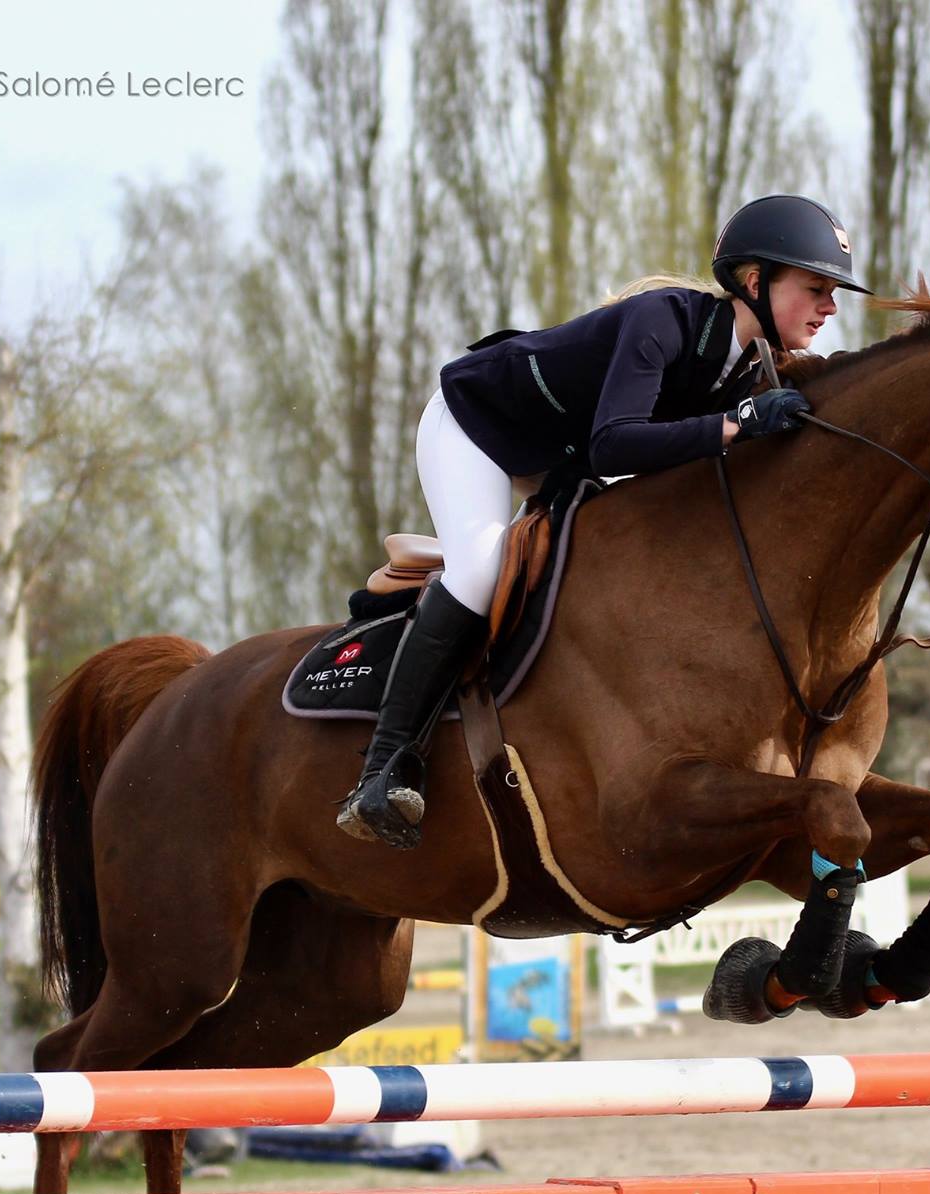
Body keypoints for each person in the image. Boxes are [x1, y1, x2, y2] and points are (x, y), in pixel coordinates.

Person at [339, 194, 869, 848]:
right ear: (755, 283)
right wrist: (737, 427)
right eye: (816, 287)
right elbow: (614, 444)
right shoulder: (662, 322)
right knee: (480, 568)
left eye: (833, 291)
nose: (832, 306)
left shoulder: (751, 366)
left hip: (558, 453)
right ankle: (384, 766)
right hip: (477, 426)